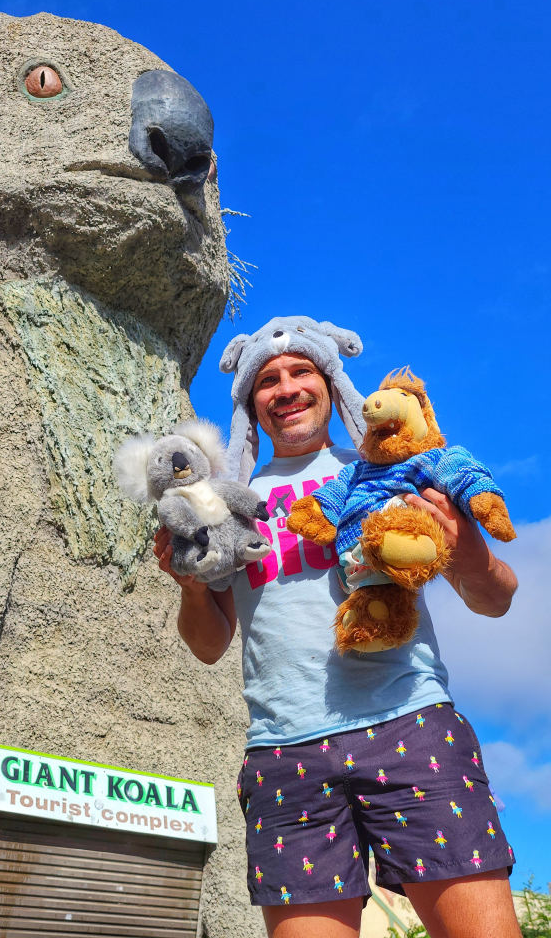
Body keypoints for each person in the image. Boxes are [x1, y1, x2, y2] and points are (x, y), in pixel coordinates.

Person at [155, 316, 520, 938]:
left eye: (301, 371)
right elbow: (210, 645)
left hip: (411, 724)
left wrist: (466, 549)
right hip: (283, 751)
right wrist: (191, 587)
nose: (286, 388)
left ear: (330, 384)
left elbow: (497, 599)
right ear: (250, 403)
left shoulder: (392, 471)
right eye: (268, 379)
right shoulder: (226, 506)